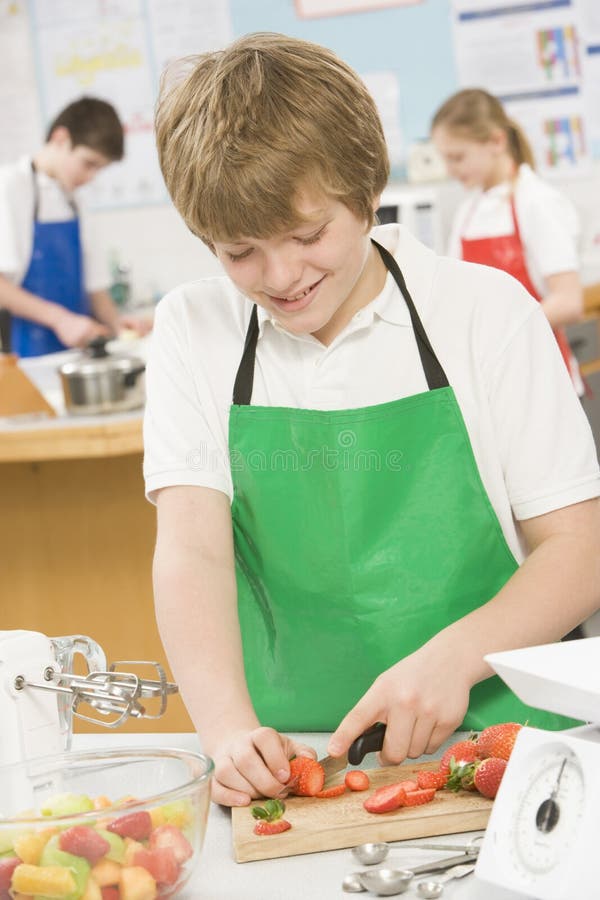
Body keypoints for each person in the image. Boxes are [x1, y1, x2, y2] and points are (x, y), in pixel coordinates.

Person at [145, 33, 600, 808]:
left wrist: (454, 659)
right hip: (293, 764)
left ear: (367, 188)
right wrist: (227, 731)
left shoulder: (486, 314)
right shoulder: (193, 327)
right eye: (240, 252)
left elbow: (580, 550)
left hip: (500, 752)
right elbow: (192, 550)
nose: (282, 276)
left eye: (308, 234)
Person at [431, 88, 584, 394]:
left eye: (457, 157)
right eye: (446, 159)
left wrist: (498, 335)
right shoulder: (468, 212)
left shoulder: (536, 202)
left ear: (496, 142)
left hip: (544, 379)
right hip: (492, 380)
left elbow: (569, 302)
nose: (450, 170)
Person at [0, 96, 151, 357]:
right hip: (26, 352)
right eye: (89, 164)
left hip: (78, 352)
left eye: (99, 170)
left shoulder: (76, 201)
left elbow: (95, 287)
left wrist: (117, 325)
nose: (91, 177)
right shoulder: (10, 186)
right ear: (60, 139)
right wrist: (60, 320)